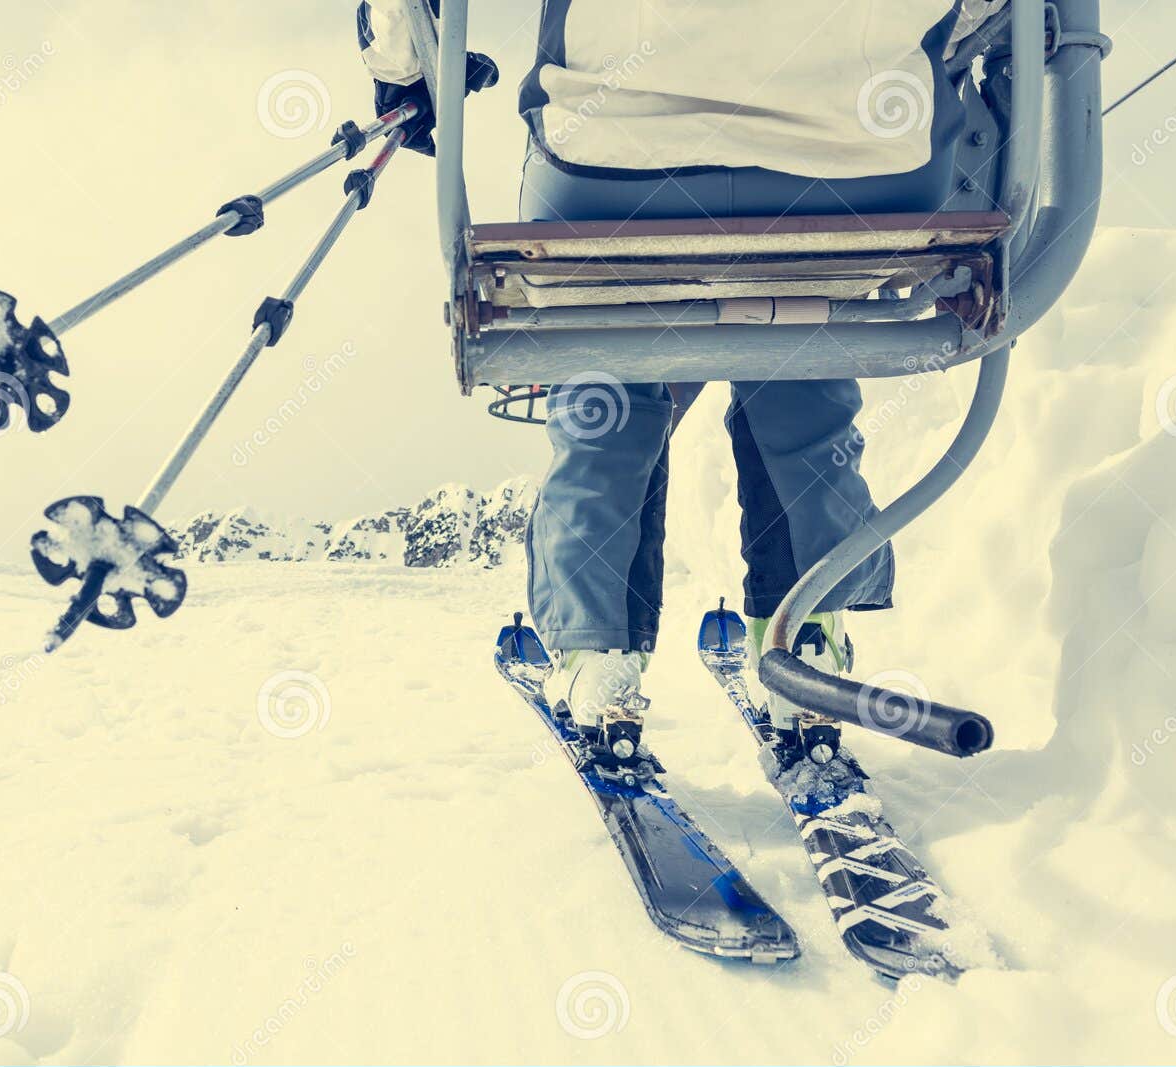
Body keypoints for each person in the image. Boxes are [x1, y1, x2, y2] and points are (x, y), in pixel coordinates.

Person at [357, 1, 1008, 738]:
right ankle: (806, 630)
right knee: (798, 339)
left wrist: (406, 69)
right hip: (866, 174)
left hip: (608, 172)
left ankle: (592, 645)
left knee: (606, 351)